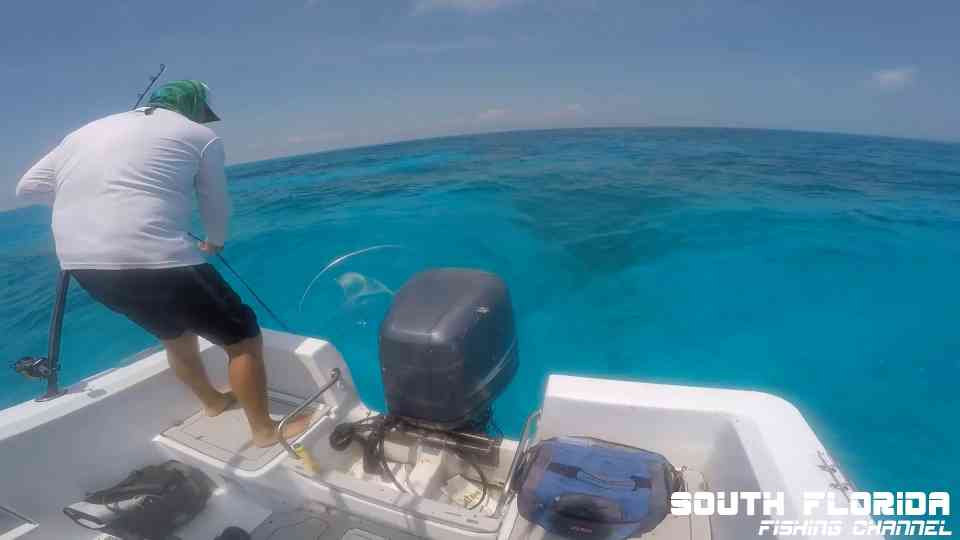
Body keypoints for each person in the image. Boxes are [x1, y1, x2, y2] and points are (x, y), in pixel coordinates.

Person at [15, 80, 308, 447]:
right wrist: (214, 240)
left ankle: (213, 403)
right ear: (194, 107)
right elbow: (214, 199)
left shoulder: (82, 133)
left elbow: (28, 187)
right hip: (157, 258)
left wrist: (94, 202)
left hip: (83, 265)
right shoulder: (199, 135)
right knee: (243, 338)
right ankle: (263, 431)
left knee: (174, 335)